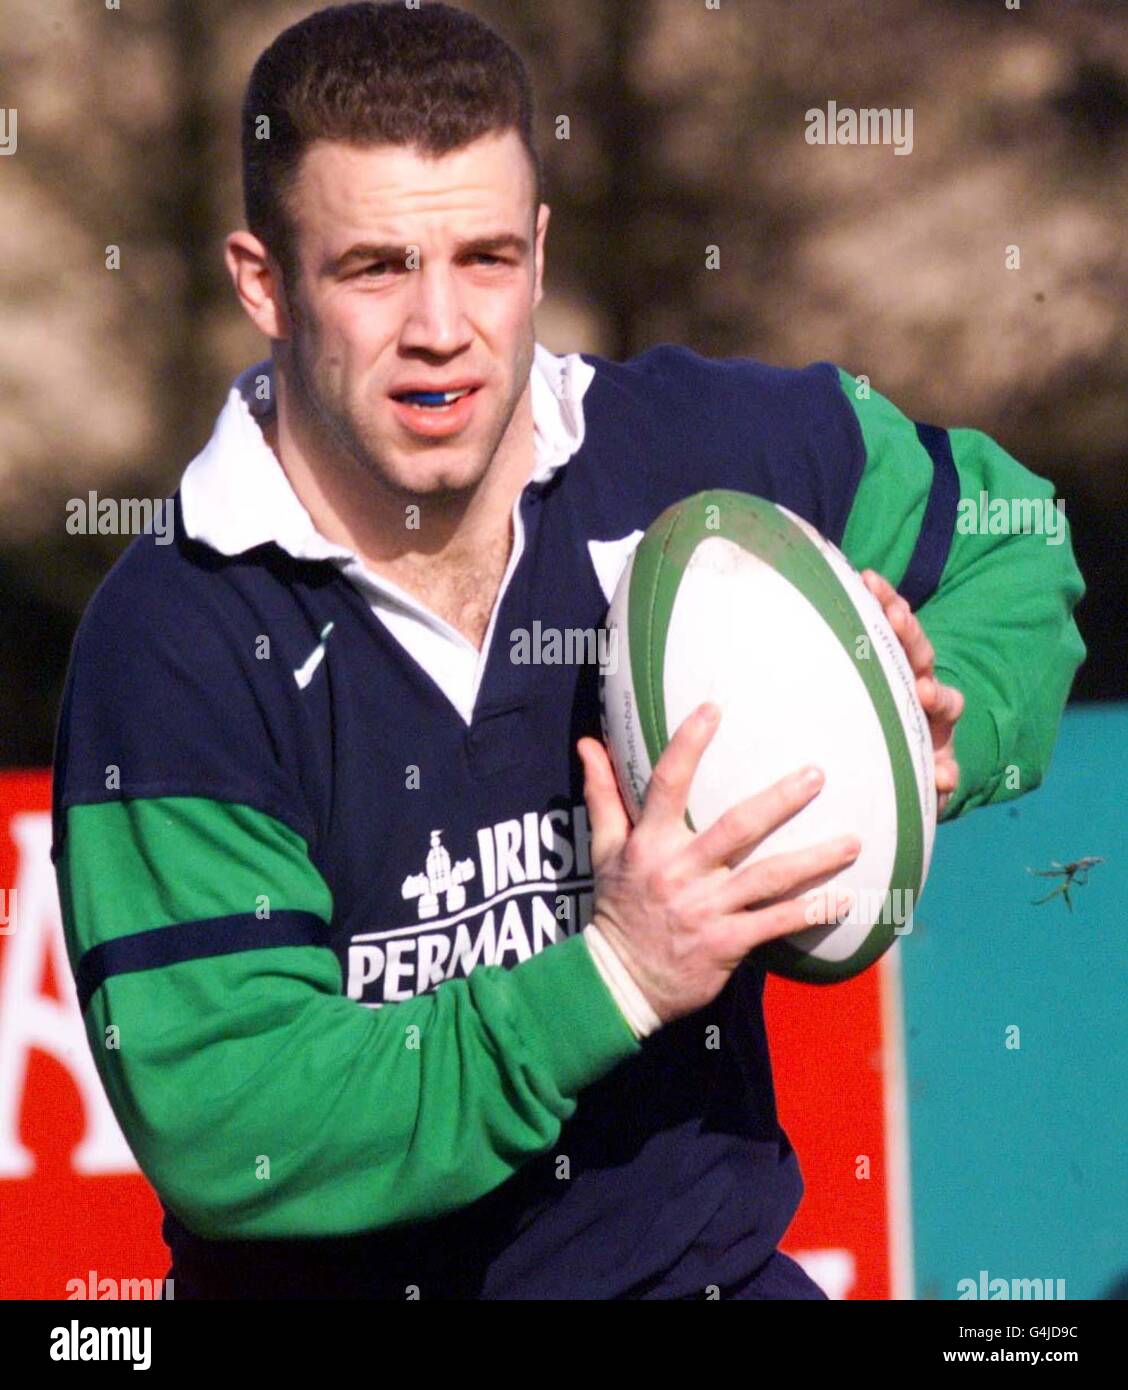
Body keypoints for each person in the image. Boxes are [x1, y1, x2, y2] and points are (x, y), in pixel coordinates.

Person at [50, 1, 1085, 1300]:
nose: (442, 327)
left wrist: (932, 726)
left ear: (540, 252)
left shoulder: (693, 453)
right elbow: (233, 1115)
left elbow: (1013, 537)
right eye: (374, 269)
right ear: (264, 282)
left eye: (485, 257)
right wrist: (615, 976)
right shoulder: (179, 638)